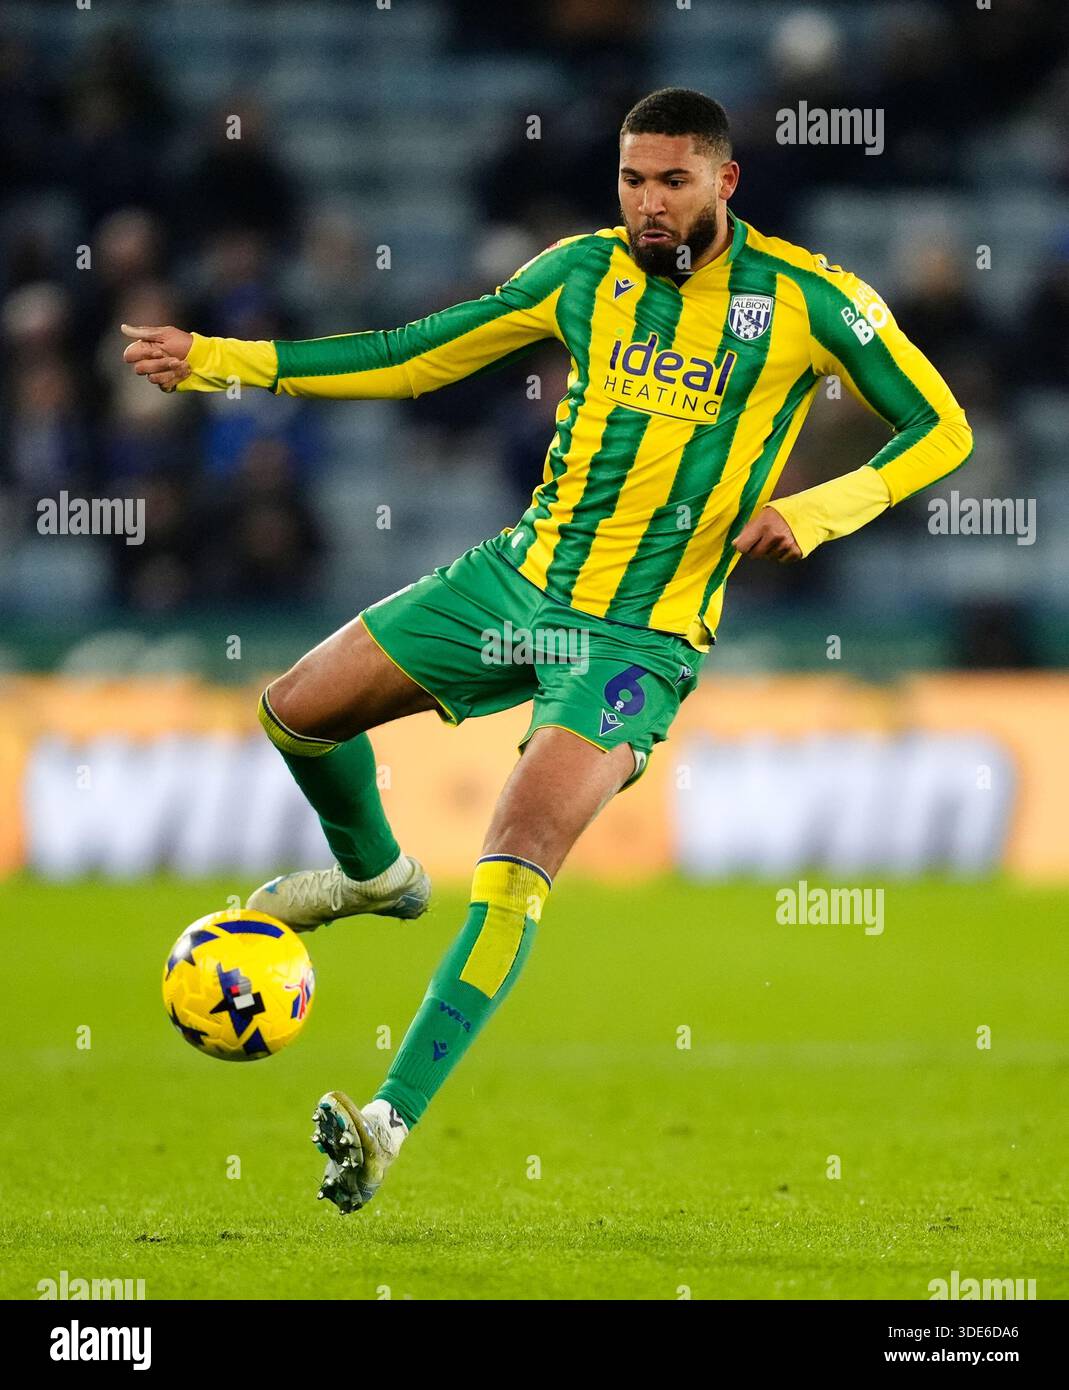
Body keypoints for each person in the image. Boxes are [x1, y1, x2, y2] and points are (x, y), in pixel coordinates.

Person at [121, 88, 972, 1214]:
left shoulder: (810, 300)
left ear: (725, 182)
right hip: (518, 580)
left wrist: (817, 512)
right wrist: (219, 358)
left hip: (639, 636)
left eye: (672, 181)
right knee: (293, 708)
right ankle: (374, 875)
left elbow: (941, 427)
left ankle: (385, 1122)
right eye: (632, 179)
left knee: (514, 855)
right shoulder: (581, 273)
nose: (647, 203)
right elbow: (411, 358)